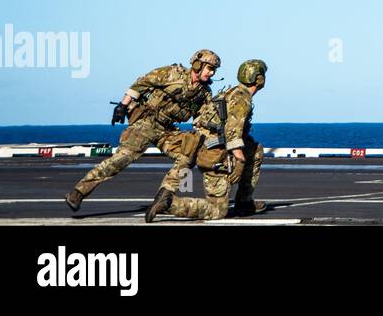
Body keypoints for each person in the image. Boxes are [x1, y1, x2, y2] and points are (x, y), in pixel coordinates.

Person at [65, 50, 220, 212]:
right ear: (197, 65)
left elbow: (200, 120)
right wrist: (123, 105)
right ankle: (78, 192)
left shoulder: (204, 93)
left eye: (214, 70)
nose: (212, 73)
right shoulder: (172, 74)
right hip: (147, 123)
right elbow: (141, 84)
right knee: (120, 160)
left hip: (167, 131)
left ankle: (165, 194)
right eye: (209, 68)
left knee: (190, 151)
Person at [150, 59, 268, 221]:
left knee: (255, 150)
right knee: (217, 211)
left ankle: (244, 202)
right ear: (259, 79)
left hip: (208, 147)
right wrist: (239, 161)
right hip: (214, 155)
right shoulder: (242, 99)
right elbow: (232, 133)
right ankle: (170, 204)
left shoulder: (231, 92)